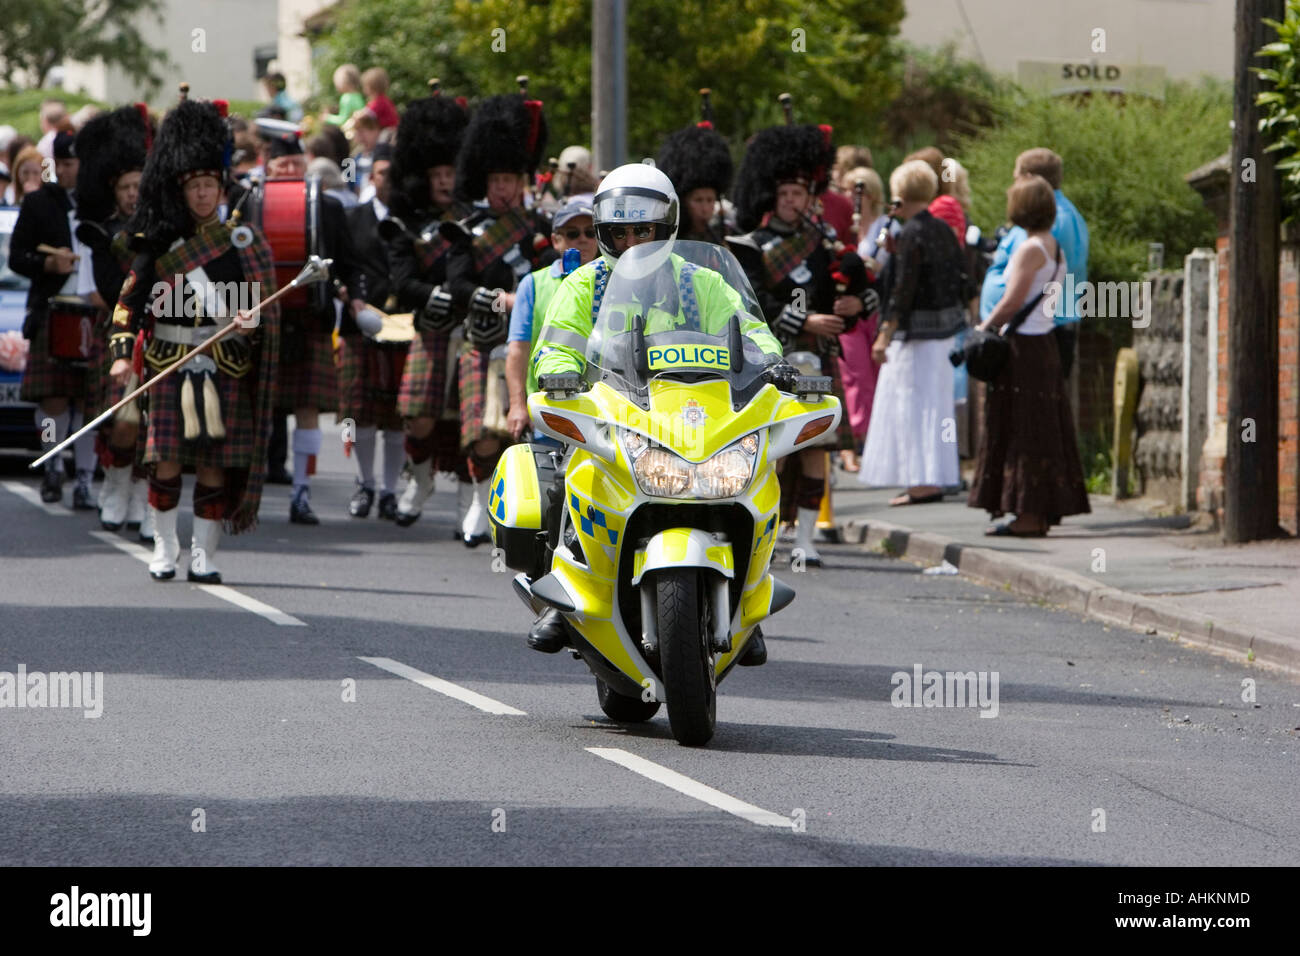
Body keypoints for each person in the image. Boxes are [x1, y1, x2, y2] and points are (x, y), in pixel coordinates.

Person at [529, 162, 784, 658]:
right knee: (566, 473)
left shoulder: (701, 284)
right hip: (616, 414)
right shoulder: (583, 286)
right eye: (619, 232)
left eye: (642, 230)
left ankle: (749, 599)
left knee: (758, 470)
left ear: (665, 228)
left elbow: (752, 333)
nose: (630, 243)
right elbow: (555, 346)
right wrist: (558, 372)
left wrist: (773, 362)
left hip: (699, 418)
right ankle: (563, 597)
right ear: (603, 233)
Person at [110, 97, 280, 583]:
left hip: (223, 363)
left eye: (210, 185)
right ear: (181, 190)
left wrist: (252, 322)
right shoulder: (159, 244)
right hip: (167, 360)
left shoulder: (239, 241)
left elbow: (261, 311)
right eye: (196, 187)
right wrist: (122, 357)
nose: (204, 195)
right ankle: (164, 549)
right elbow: (129, 303)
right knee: (164, 462)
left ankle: (204, 558)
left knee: (213, 467)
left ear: (219, 186)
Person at [727, 123, 866, 567]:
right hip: (772, 355)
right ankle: (765, 539)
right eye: (784, 193)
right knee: (773, 449)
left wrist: (853, 302)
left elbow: (853, 295)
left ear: (811, 197)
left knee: (817, 449)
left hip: (819, 355)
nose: (791, 201)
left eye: (798, 194)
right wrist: (805, 317)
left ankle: (807, 540)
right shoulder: (751, 245)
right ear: (773, 195)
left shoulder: (825, 243)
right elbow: (753, 302)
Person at [441, 92, 552, 547]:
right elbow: (456, 284)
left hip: (533, 343)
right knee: (483, 435)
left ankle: (522, 513)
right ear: (485, 181)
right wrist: (498, 299)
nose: (503, 188)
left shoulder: (542, 227)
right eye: (497, 180)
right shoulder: (468, 229)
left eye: (511, 179)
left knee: (523, 434)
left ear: (522, 180)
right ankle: (478, 505)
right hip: (485, 341)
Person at [969, 174, 1090, 535]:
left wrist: (983, 327)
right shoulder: (1053, 245)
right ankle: (1036, 511)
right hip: (1044, 345)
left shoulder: (1029, 249)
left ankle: (1028, 515)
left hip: (1024, 351)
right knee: (1043, 430)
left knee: (1024, 432)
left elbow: (1013, 300)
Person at [257, 126, 363, 524]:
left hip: (311, 318)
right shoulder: (249, 203)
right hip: (263, 319)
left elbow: (349, 264)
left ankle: (301, 492)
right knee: (256, 407)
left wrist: (352, 296)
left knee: (305, 409)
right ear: (268, 166)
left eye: (294, 162)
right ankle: (247, 490)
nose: (287, 168)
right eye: (280, 163)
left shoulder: (329, 207)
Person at [384, 94, 470, 528]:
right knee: (418, 419)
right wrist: (428, 293)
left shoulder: (477, 221)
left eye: (450, 172)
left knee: (475, 426)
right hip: (431, 329)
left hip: (475, 331)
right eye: (436, 174)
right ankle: (420, 482)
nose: (443, 181)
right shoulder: (409, 223)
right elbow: (400, 281)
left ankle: (468, 507)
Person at [859, 159, 966, 505]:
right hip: (945, 332)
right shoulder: (942, 229)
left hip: (916, 337)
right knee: (937, 406)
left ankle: (920, 482)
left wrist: (884, 335)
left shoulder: (910, 234)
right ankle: (935, 477)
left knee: (912, 406)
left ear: (900, 196)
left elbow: (903, 290)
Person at [73, 104, 153, 536]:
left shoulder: (161, 231)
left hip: (159, 330)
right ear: (114, 189)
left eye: (139, 185)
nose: (132, 194)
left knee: (152, 422)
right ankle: (115, 486)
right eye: (125, 187)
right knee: (121, 422)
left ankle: (139, 492)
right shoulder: (101, 234)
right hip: (120, 331)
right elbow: (106, 289)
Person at [9, 130, 92, 505]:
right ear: (56, 165)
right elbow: (16, 258)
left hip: (94, 309)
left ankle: (87, 478)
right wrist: (46, 262)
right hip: (52, 306)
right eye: (67, 165)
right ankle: (51, 463)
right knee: (53, 401)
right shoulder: (39, 203)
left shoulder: (98, 204)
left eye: (77, 164)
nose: (73, 171)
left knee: (92, 402)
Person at [979, 147, 1089, 379]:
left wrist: (984, 327)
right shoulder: (1066, 212)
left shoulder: (1046, 220)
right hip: (1047, 327)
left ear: (1029, 179)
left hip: (1034, 333)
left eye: (1016, 177)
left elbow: (1022, 284)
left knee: (1028, 411)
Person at [337, 142, 405, 519]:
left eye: (393, 174)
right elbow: (340, 267)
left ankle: (391, 492)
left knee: (396, 413)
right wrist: (351, 299)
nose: (388, 181)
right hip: (359, 325)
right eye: (381, 173)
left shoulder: (411, 218)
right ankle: (365, 485)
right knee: (360, 412)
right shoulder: (353, 217)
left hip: (403, 324)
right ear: (370, 177)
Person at [505, 195, 598, 442]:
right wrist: (517, 405)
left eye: (590, 232)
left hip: (602, 411)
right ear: (556, 240)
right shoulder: (533, 284)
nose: (583, 239)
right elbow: (518, 349)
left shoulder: (613, 279)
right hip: (549, 412)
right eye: (572, 233)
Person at [837, 165, 886, 470]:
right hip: (848, 313)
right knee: (855, 376)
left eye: (860, 191)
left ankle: (876, 440)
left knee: (877, 374)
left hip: (874, 310)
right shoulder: (844, 226)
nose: (854, 197)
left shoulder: (884, 226)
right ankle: (855, 440)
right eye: (848, 191)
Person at [655, 121, 734, 244]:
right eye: (698, 200)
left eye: (710, 200)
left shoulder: (721, 238)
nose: (705, 209)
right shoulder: (664, 240)